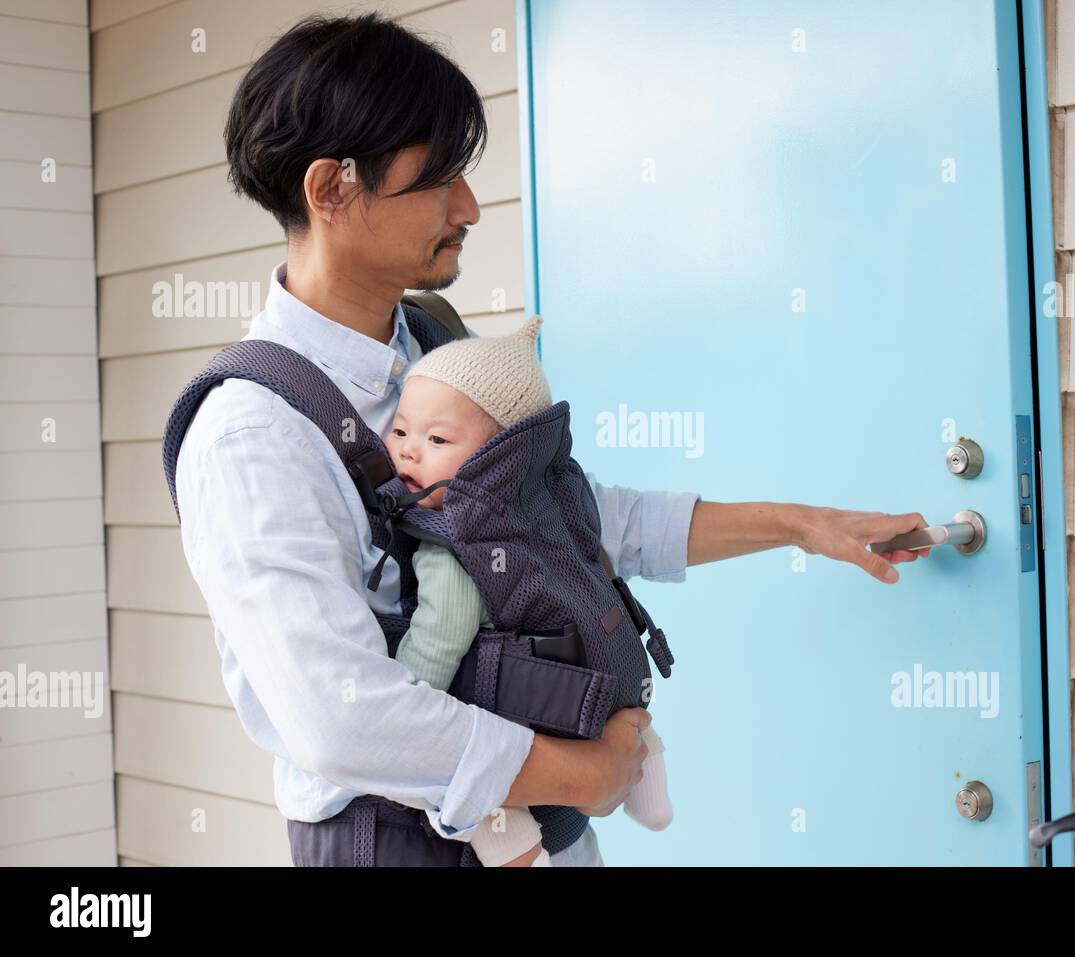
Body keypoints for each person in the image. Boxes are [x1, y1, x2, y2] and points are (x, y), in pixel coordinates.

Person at [174, 12, 930, 866]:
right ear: (331, 190)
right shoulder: (251, 433)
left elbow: (572, 520)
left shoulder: (433, 346)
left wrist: (802, 525)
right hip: (402, 845)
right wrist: (587, 774)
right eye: (437, 178)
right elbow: (338, 715)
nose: (469, 206)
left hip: (550, 830)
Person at [388, 315, 674, 867]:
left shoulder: (453, 543)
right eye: (400, 430)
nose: (408, 452)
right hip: (609, 688)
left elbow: (440, 637)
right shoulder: (554, 503)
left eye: (437, 438)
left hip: (526, 719)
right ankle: (653, 792)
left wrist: (402, 699)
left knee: (481, 807)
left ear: (499, 453)